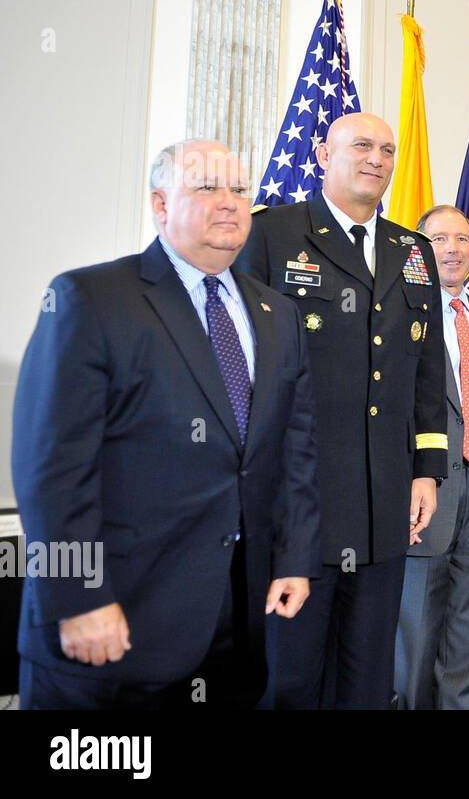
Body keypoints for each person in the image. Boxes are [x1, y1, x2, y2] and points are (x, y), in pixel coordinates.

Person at [13, 139, 319, 709]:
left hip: (237, 628)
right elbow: (51, 468)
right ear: (159, 204)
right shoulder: (90, 298)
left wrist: (294, 559)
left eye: (239, 189)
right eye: (206, 187)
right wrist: (78, 597)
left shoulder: (280, 315)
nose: (229, 203)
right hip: (112, 628)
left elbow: (295, 453)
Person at [236, 112, 448, 709]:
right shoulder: (273, 234)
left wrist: (427, 468)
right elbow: (243, 366)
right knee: (292, 678)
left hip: (384, 504)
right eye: (361, 145)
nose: (376, 158)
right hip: (301, 502)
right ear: (324, 156)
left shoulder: (413, 250)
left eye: (387, 148)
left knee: (367, 678)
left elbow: (427, 368)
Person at [394, 206, 469, 710]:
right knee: (414, 631)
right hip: (427, 488)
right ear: (419, 247)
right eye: (440, 239)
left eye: (463, 239)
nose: (454, 249)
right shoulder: (398, 310)